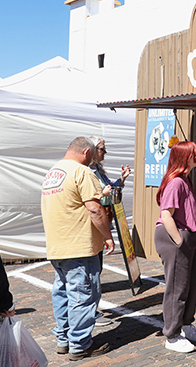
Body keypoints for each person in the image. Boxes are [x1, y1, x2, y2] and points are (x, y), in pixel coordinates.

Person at [40, 137, 115, 361]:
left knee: (62, 293)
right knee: (83, 295)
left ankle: (63, 340)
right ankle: (79, 344)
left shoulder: (52, 172)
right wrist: (108, 237)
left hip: (58, 245)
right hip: (79, 246)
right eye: (92, 154)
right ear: (85, 152)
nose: (93, 159)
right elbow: (94, 209)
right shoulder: (82, 172)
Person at [154, 140, 196, 354]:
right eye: (194, 153)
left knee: (194, 284)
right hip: (177, 236)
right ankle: (172, 335)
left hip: (188, 235)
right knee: (177, 288)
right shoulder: (176, 182)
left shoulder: (184, 180)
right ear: (186, 157)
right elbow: (166, 214)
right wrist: (179, 241)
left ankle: (185, 325)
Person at [88, 135, 131, 326]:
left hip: (101, 223)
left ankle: (92, 311)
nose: (105, 152)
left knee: (95, 270)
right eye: (102, 149)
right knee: (91, 272)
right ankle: (90, 313)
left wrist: (121, 180)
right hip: (94, 226)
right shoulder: (88, 171)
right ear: (92, 150)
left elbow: (109, 190)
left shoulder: (96, 169)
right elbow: (95, 200)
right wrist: (104, 195)